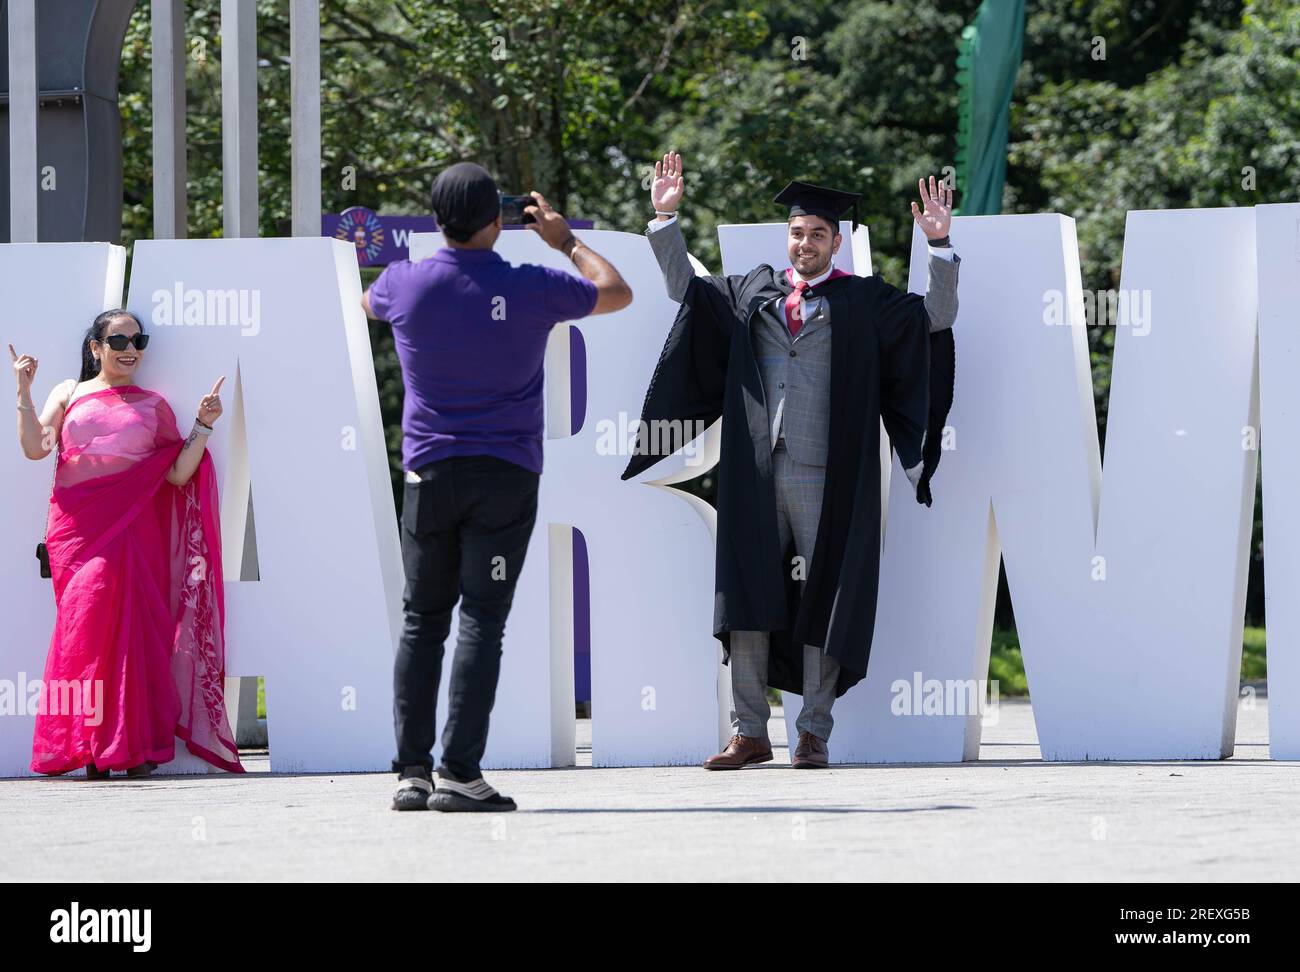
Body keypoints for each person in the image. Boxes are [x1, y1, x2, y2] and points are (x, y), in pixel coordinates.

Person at [622, 152, 960, 770]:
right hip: (754, 471)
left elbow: (936, 317)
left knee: (824, 596)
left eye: (817, 234)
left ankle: (813, 733)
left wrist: (939, 245)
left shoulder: (863, 300)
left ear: (836, 242)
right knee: (746, 593)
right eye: (798, 233)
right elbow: (683, 291)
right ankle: (749, 732)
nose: (806, 243)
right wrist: (665, 220)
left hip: (827, 475)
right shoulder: (755, 289)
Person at [364, 161, 632, 812]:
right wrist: (566, 240)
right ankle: (460, 773)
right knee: (482, 621)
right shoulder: (532, 285)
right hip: (505, 475)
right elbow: (617, 290)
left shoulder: (402, 283)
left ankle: (412, 775)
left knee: (422, 622)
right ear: (498, 221)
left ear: (436, 220)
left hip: (429, 473)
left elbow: (365, 303)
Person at [11, 310, 242, 778]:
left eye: (138, 340)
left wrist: (202, 425)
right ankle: (93, 747)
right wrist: (23, 393)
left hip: (135, 532)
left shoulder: (154, 406)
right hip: (77, 533)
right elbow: (37, 449)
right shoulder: (69, 393)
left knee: (137, 637)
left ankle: (133, 748)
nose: (130, 349)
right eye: (118, 341)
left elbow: (176, 474)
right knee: (86, 633)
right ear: (96, 348)